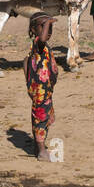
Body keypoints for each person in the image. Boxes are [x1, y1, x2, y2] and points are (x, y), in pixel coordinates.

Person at [24, 13, 59, 161]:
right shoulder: (39, 43)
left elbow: (25, 61)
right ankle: (42, 151)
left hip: (46, 90)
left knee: (45, 117)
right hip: (40, 91)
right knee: (40, 118)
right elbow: (43, 38)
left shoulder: (42, 47)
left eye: (50, 27)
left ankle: (38, 147)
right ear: (34, 29)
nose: (48, 30)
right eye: (44, 26)